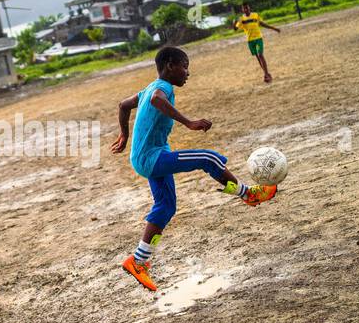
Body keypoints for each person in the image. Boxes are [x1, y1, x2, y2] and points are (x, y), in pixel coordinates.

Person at [110, 45, 276, 292]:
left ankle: (138, 261)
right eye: (185, 66)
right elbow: (157, 100)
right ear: (169, 65)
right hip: (152, 157)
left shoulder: (146, 89)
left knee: (166, 207)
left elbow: (124, 105)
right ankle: (248, 194)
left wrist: (124, 136)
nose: (188, 73)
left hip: (146, 158)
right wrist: (189, 122)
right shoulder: (161, 88)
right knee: (208, 158)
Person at [236, 1, 282, 82]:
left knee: (260, 55)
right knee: (258, 58)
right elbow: (235, 28)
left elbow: (262, 24)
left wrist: (274, 28)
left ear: (249, 7)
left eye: (247, 7)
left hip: (258, 38)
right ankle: (266, 74)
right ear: (242, 10)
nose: (246, 9)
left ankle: (267, 75)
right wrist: (233, 24)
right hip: (250, 41)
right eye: (244, 8)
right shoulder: (241, 19)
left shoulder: (255, 15)